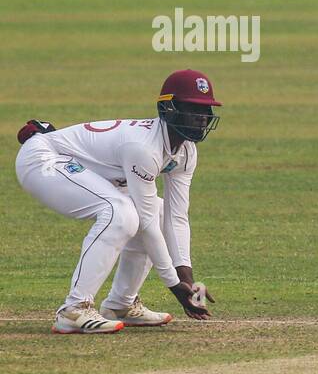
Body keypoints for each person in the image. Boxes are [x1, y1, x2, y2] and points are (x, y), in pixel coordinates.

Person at [14, 69, 220, 333]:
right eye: (193, 109)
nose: (202, 119)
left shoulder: (187, 152)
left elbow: (176, 217)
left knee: (157, 210)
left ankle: (121, 304)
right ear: (168, 109)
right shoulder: (144, 148)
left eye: (206, 110)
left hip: (78, 165)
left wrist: (187, 281)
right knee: (119, 212)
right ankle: (74, 310)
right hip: (43, 160)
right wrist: (172, 284)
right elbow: (144, 223)